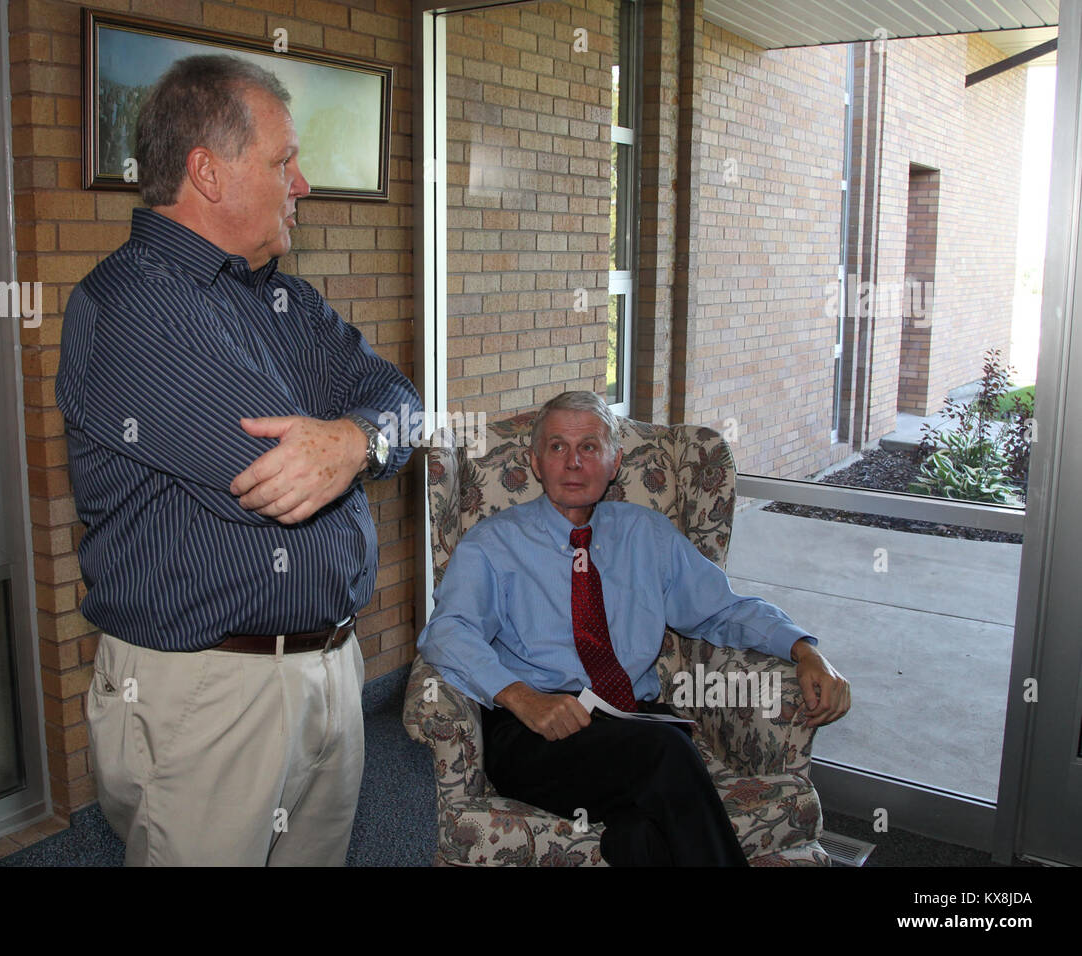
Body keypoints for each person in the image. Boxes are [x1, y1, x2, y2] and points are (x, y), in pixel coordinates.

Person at [55, 55, 421, 866]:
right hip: (211, 692)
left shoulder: (281, 298)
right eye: (285, 160)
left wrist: (355, 439)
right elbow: (276, 474)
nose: (306, 183)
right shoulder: (127, 306)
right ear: (207, 173)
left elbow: (401, 397)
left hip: (328, 667)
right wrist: (347, 441)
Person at [417, 390, 850, 865]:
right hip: (535, 734)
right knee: (666, 753)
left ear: (615, 460)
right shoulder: (493, 545)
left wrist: (804, 650)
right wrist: (522, 696)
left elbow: (722, 608)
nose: (574, 463)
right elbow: (447, 631)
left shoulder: (647, 534)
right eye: (557, 447)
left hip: (635, 721)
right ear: (535, 462)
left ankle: (630, 847)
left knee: (641, 835)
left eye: (589, 448)